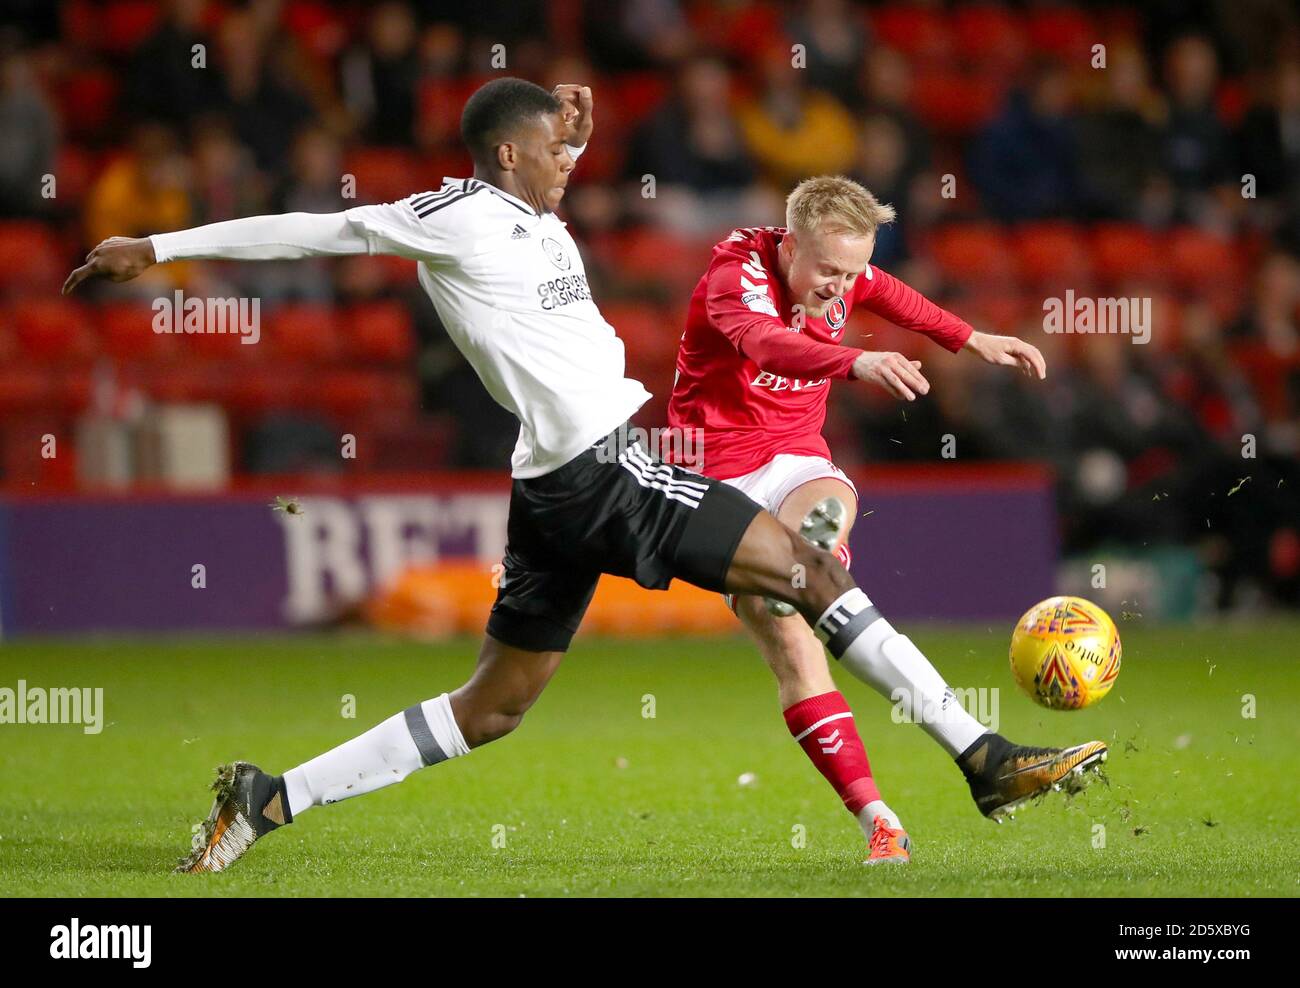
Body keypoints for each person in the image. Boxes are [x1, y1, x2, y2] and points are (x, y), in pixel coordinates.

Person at [64, 79, 1105, 875]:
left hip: (550, 486)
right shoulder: (452, 219)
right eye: (552, 150)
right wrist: (158, 245)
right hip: (610, 471)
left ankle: (269, 796)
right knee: (807, 574)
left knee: (494, 706)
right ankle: (982, 758)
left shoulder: (531, 210)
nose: (570, 161)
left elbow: (550, 177)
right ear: (505, 154)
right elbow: (317, 229)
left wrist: (575, 137)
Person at [667, 174, 1090, 861]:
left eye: (852, 270)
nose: (841, 286)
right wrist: (855, 361)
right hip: (717, 478)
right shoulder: (732, 273)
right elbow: (767, 346)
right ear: (790, 246)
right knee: (793, 649)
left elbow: (889, 293)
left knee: (822, 531)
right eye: (828, 270)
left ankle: (981, 754)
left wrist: (969, 338)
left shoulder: (847, 273)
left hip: (797, 458)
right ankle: (878, 818)